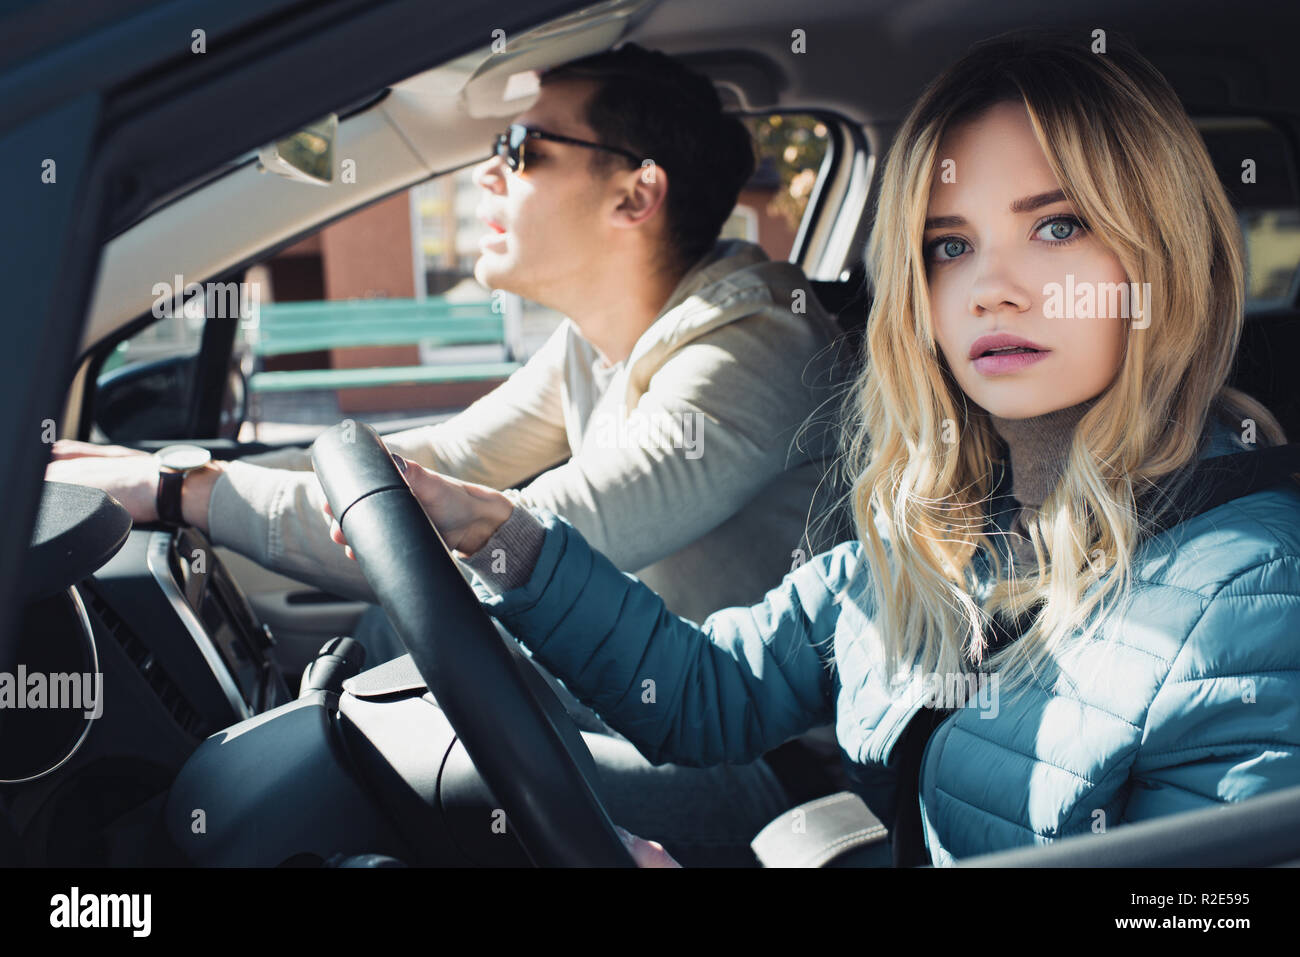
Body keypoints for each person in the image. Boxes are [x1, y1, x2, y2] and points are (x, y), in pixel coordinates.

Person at [327, 27, 1300, 866]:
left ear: (1159, 254)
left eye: (1054, 226)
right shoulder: (945, 526)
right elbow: (707, 697)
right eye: (947, 245)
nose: (990, 288)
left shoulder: (1252, 600)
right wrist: (500, 536)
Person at [48, 43, 849, 866]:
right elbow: (425, 463)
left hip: (763, 768)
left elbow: (534, 539)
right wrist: (162, 472)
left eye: (523, 150)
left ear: (635, 192)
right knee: (385, 660)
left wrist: (173, 488)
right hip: (635, 708)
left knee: (386, 764)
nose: (488, 175)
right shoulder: (599, 343)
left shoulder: (751, 355)